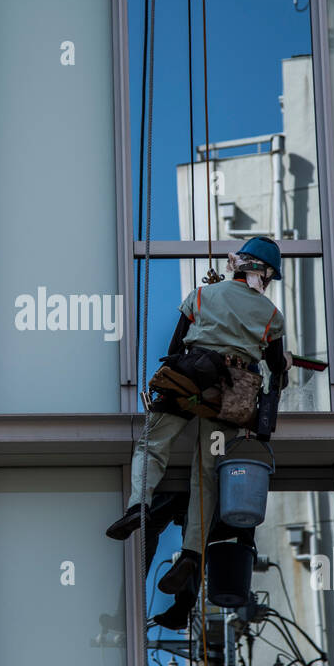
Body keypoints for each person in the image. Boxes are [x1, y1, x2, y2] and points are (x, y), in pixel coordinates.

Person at [107, 237, 289, 600]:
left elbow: (176, 348)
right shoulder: (271, 315)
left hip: (192, 375)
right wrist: (281, 370)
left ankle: (138, 507)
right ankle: (192, 554)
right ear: (265, 274)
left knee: (153, 444)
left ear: (238, 265)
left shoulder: (203, 295)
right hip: (235, 393)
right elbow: (274, 367)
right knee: (206, 472)